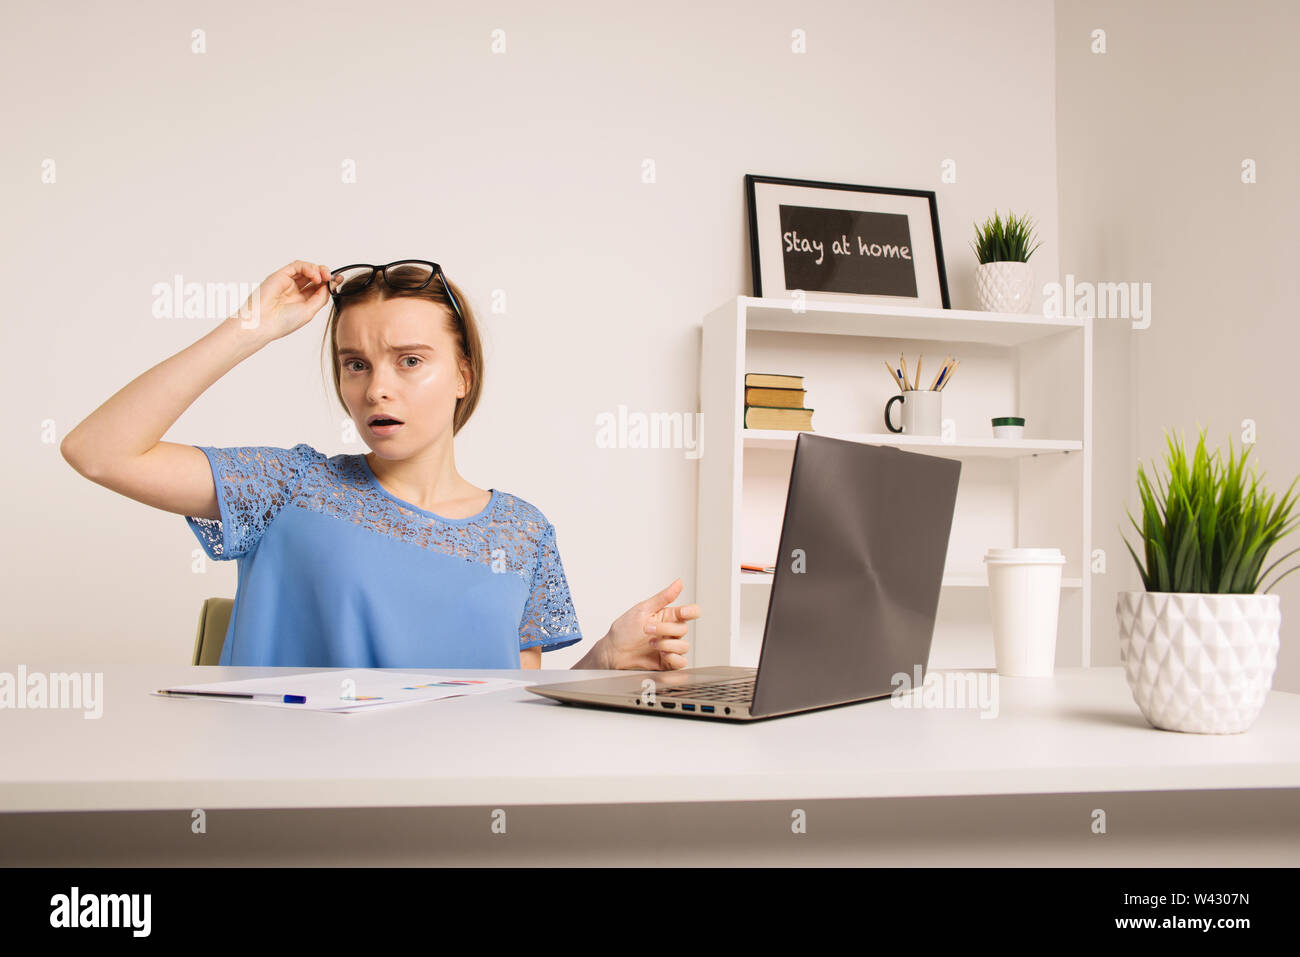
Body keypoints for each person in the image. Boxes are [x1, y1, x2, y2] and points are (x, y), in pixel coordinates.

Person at [60, 259, 700, 670]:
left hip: (447, 827)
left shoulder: (521, 532)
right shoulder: (289, 487)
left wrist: (607, 660)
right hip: (285, 822)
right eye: (355, 363)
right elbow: (99, 452)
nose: (376, 389)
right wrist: (254, 325)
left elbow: (512, 714)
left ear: (463, 374)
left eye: (410, 360)